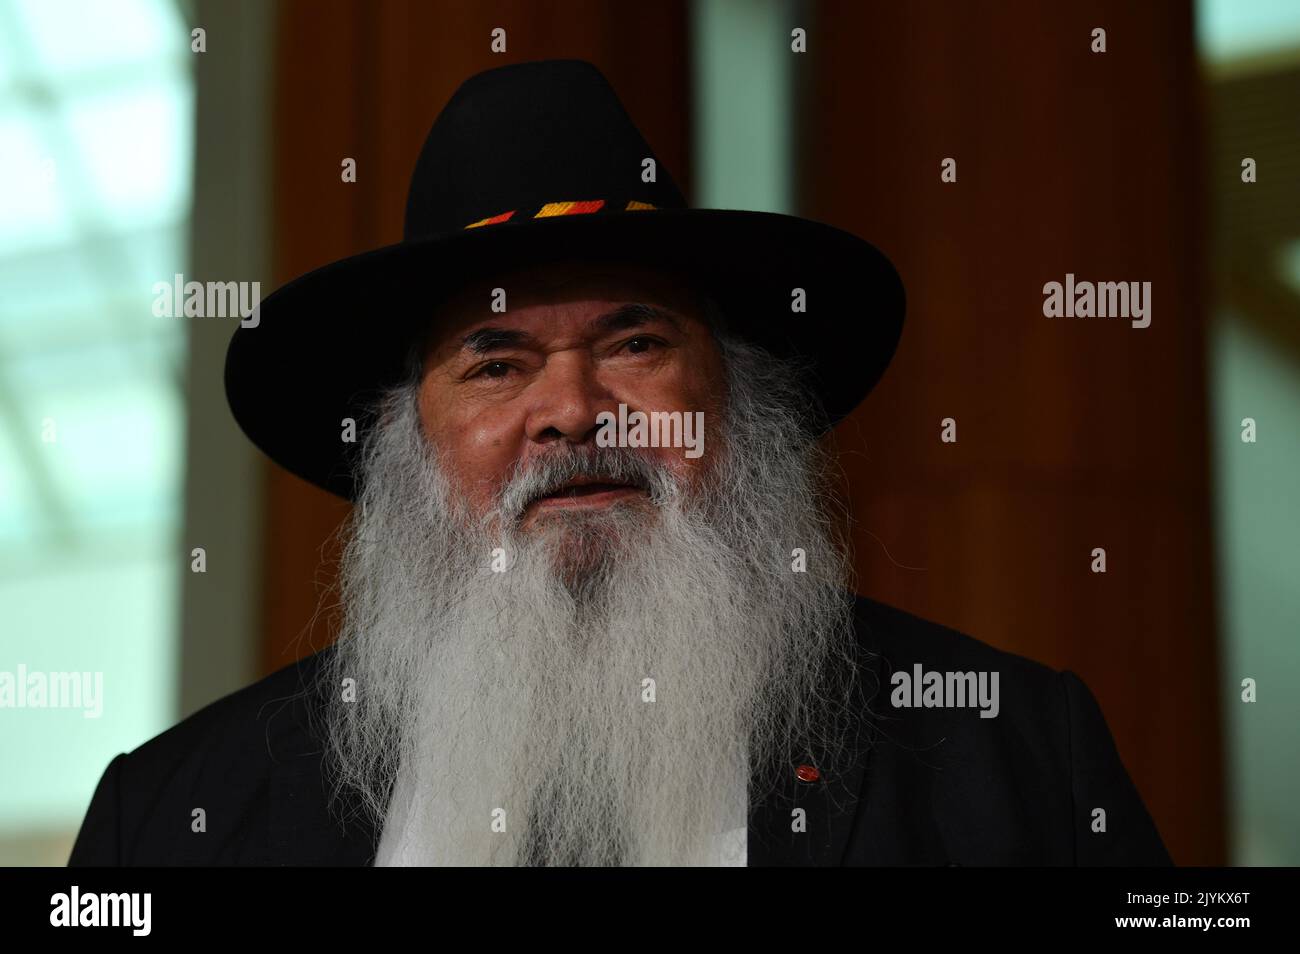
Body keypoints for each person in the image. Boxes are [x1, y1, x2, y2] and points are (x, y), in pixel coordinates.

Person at [68, 59, 1170, 867]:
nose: (572, 411)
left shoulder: (1009, 754)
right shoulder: (173, 814)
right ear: (409, 439)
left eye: (635, 343)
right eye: (494, 363)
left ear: (735, 398)